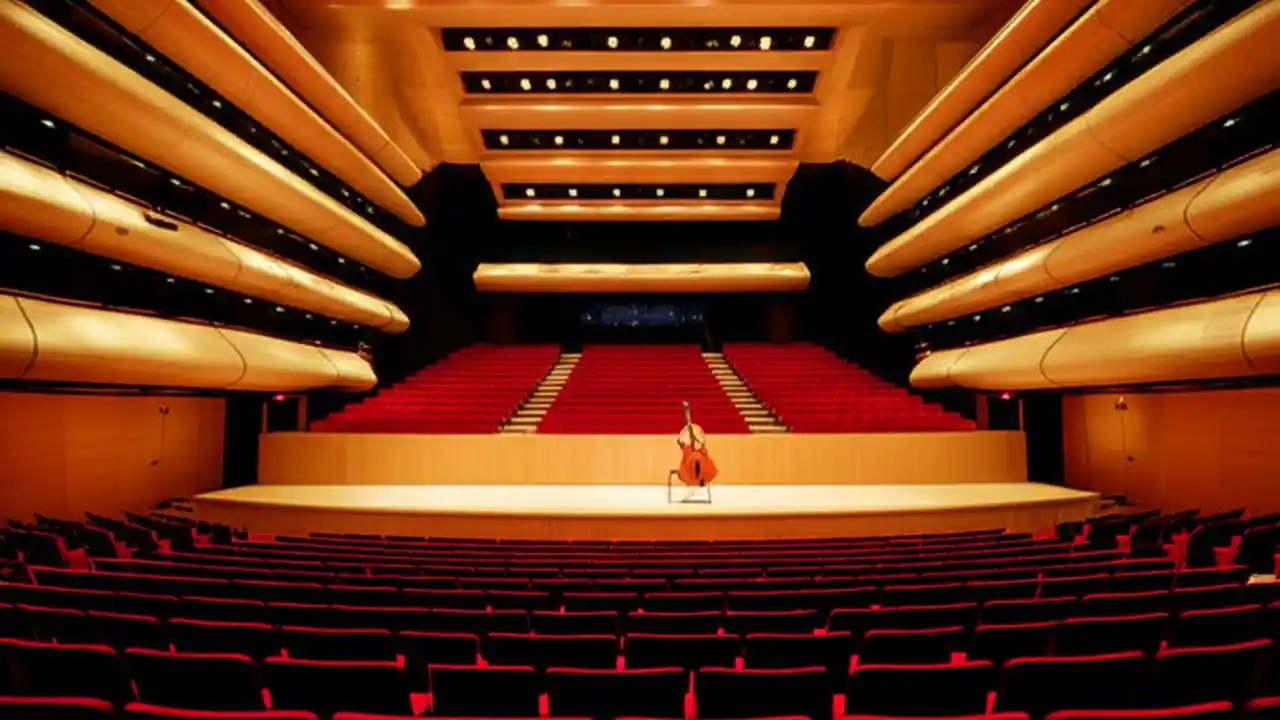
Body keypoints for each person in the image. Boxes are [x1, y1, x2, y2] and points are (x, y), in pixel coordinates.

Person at [676, 401, 718, 501]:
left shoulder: (699, 445)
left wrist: (696, 439)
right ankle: (692, 486)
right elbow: (682, 443)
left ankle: (699, 483)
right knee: (691, 462)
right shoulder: (687, 446)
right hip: (690, 460)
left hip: (698, 459)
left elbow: (701, 444)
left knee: (698, 459)